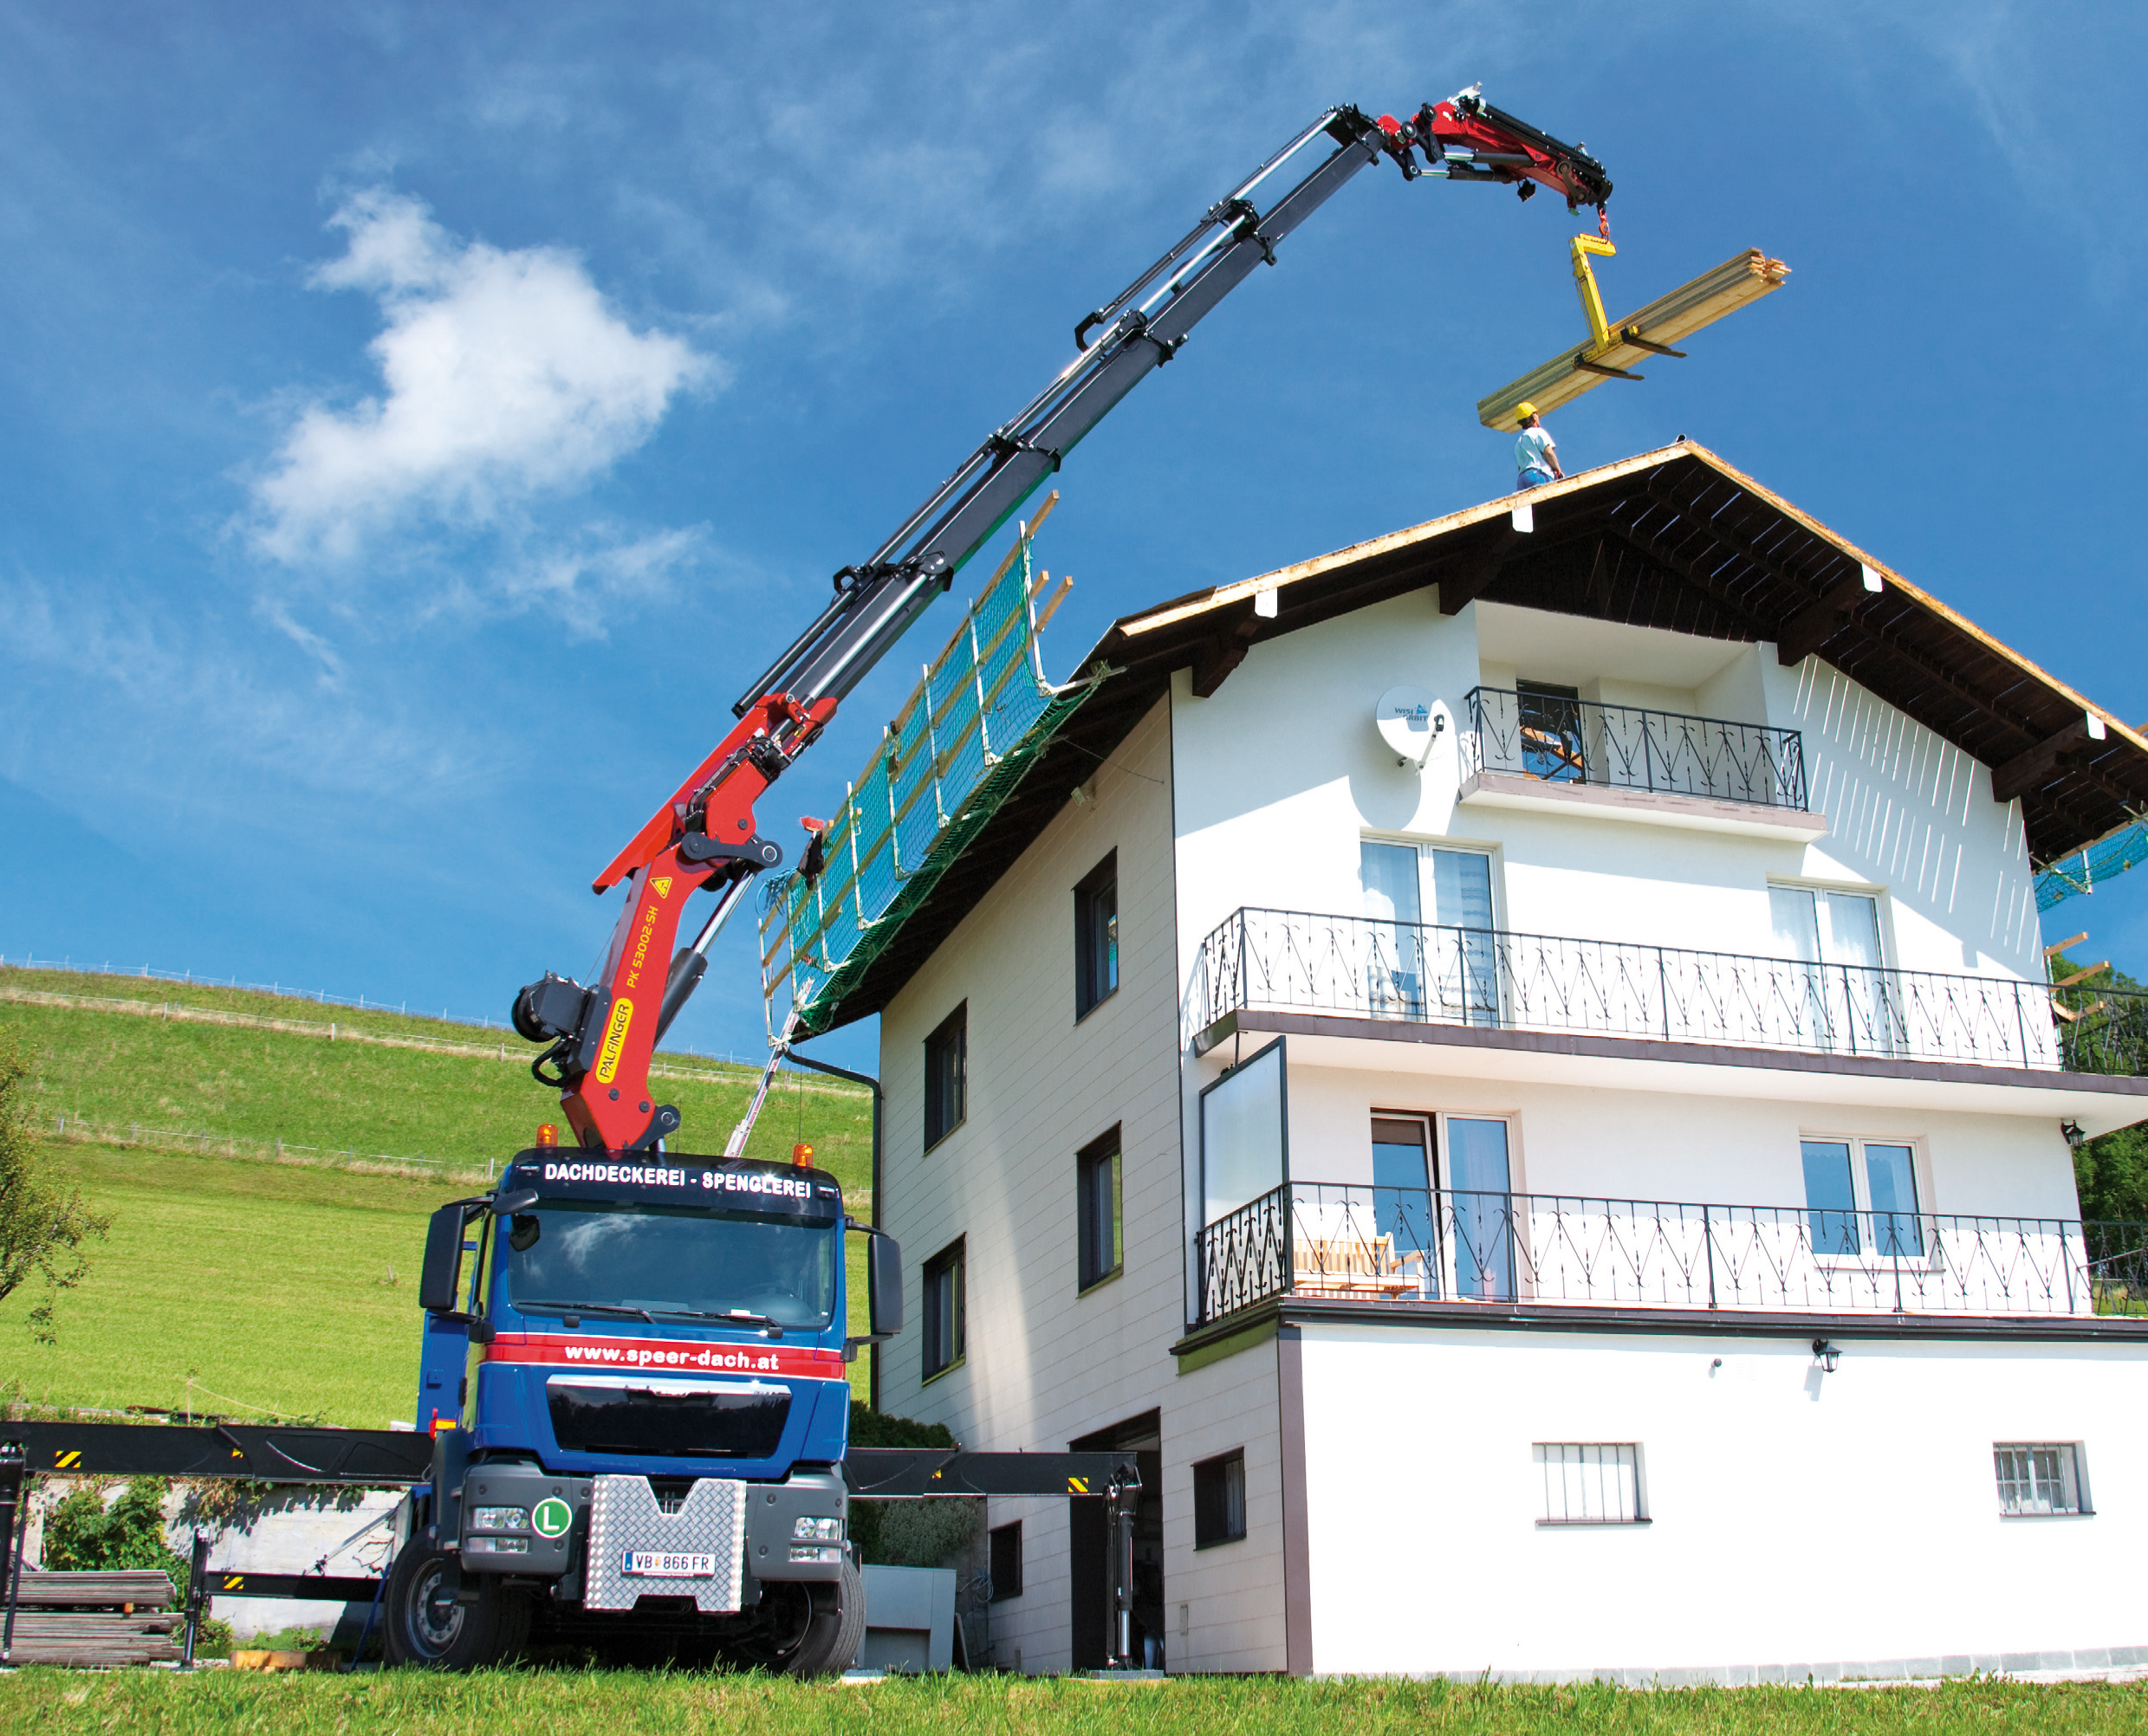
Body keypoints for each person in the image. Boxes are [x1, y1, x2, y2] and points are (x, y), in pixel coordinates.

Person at [1513, 402, 1563, 489]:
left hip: (1522, 480)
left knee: (1526, 502)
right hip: (1538, 475)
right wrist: (1558, 470)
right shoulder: (1538, 432)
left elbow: (1519, 467)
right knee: (1544, 501)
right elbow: (1548, 452)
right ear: (1534, 416)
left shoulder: (1519, 443)